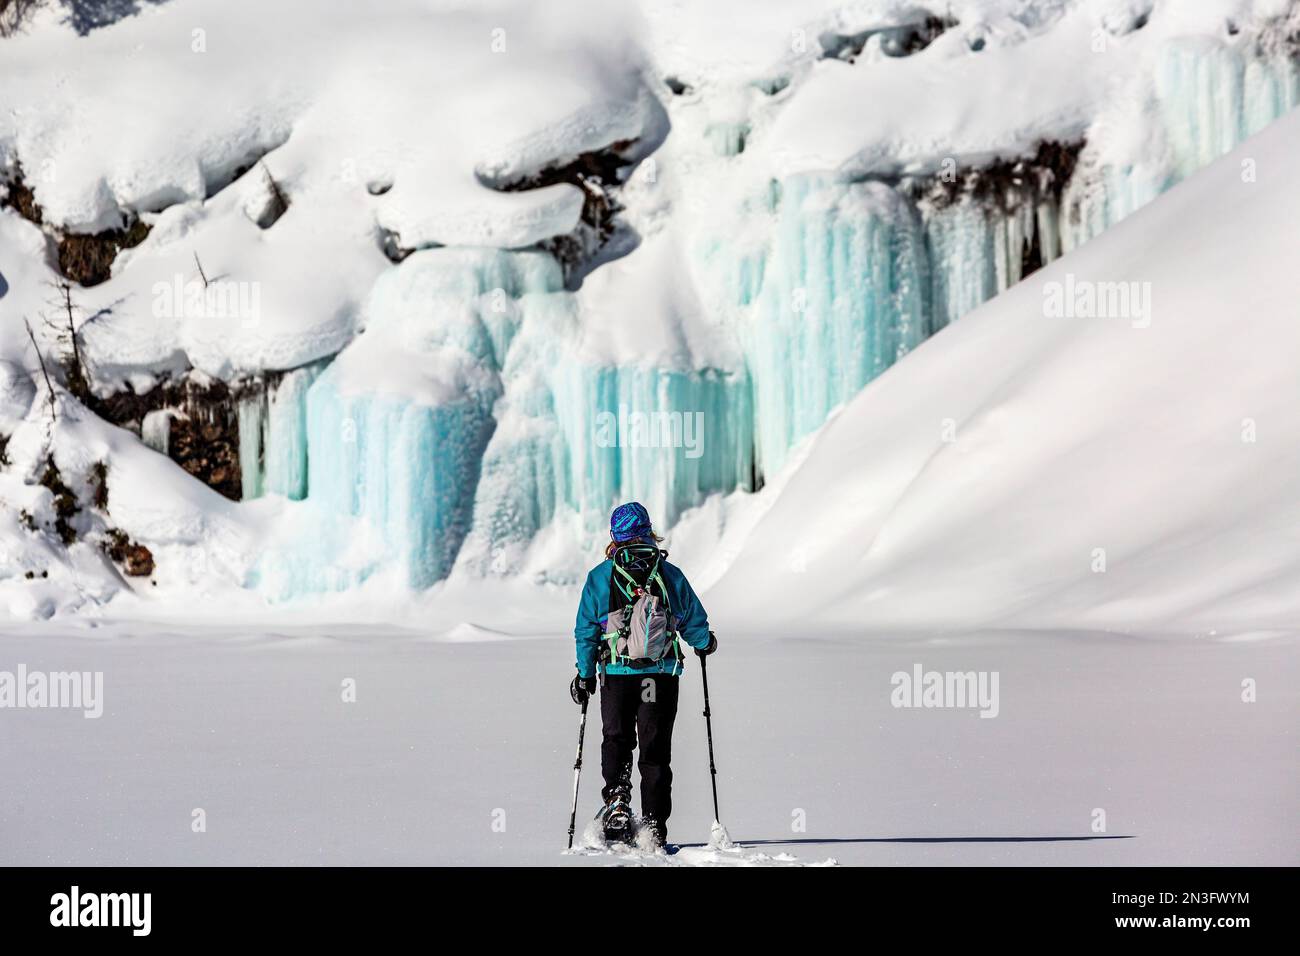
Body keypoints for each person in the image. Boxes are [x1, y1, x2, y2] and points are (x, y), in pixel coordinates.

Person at [570, 501, 717, 849]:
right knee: (655, 752)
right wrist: (705, 643)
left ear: (615, 537)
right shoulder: (670, 575)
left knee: (617, 739)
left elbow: (585, 631)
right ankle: (653, 827)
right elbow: (693, 622)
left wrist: (585, 674)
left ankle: (617, 798)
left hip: (618, 675)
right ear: (649, 532)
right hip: (660, 677)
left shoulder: (600, 577)